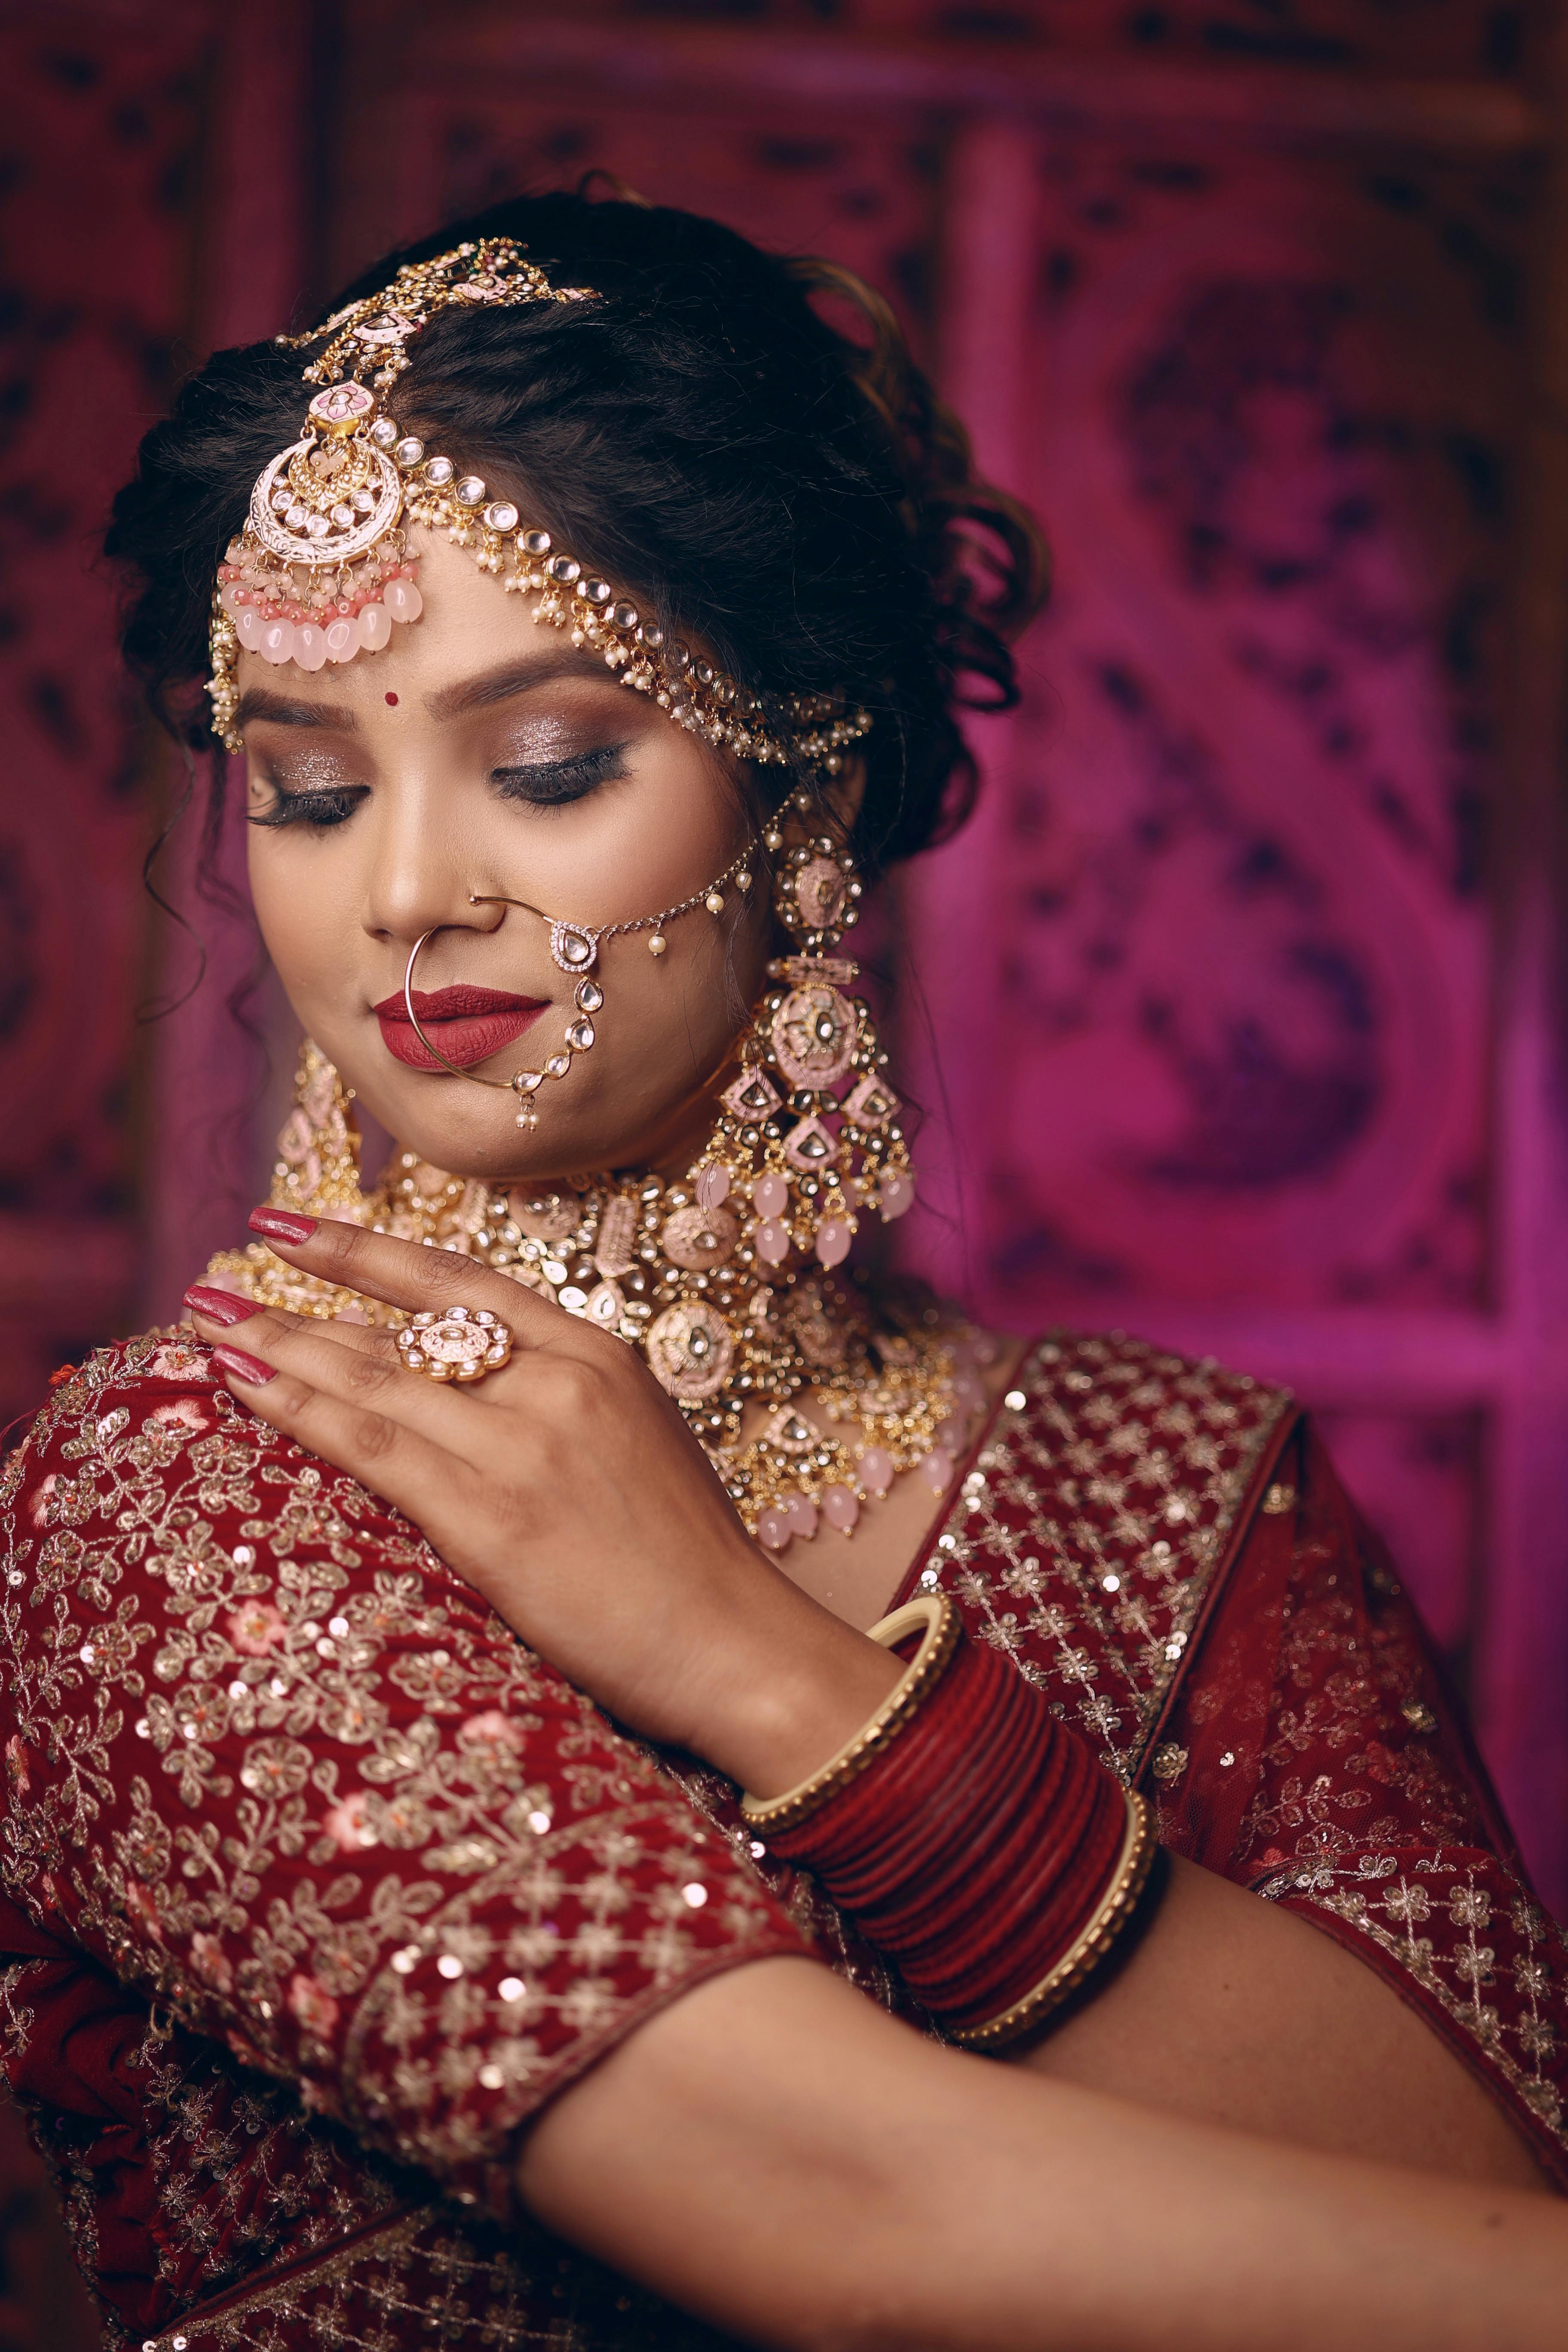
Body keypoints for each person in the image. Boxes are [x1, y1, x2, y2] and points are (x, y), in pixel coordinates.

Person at [0, 191, 1563, 2352]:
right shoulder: (192, 1493)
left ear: (798, 786)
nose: (409, 889)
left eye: (547, 765)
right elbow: (850, 2225)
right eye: (308, 790)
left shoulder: (1175, 1483)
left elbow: (1481, 2190)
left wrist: (757, 1662)